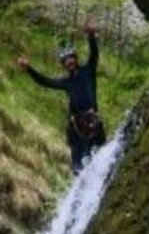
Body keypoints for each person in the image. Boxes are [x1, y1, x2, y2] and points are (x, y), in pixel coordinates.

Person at [17, 23, 106, 172]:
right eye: (66, 60)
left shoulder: (88, 71)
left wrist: (90, 36)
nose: (69, 61)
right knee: (79, 167)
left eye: (71, 58)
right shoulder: (65, 82)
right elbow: (45, 81)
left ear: (75, 59)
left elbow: (94, 54)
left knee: (100, 159)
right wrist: (29, 68)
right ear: (63, 64)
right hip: (77, 129)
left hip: (93, 123)